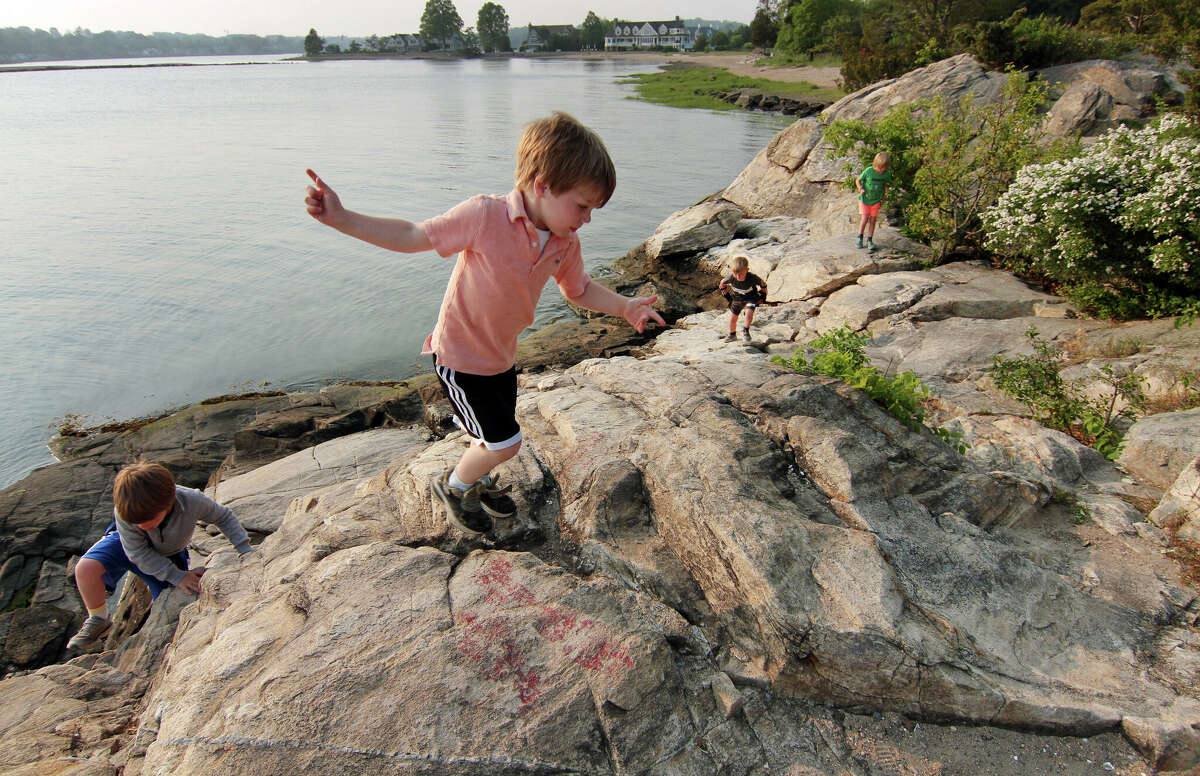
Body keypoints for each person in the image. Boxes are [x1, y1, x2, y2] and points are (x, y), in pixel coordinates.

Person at [303, 111, 665, 537]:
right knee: (505, 443)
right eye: (582, 206)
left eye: (592, 210)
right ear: (543, 185)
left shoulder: (565, 243)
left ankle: (476, 469)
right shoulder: (484, 216)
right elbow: (412, 235)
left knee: (492, 437)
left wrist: (625, 307)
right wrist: (342, 218)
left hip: (500, 358)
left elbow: (579, 289)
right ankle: (455, 487)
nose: (586, 218)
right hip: (459, 356)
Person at [67, 462, 254, 650]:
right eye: (137, 522)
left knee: (166, 612)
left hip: (169, 553)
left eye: (148, 520)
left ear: (169, 502)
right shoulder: (128, 514)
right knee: (85, 568)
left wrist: (244, 548)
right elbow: (138, 553)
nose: (143, 525)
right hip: (126, 545)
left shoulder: (191, 501)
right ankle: (99, 619)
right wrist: (176, 576)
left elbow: (224, 517)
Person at [718, 254, 766, 342]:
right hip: (737, 299)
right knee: (733, 318)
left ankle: (746, 330)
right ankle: (732, 335)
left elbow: (763, 284)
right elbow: (722, 284)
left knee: (749, 314)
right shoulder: (731, 278)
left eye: (741, 274)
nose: (738, 276)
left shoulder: (752, 278)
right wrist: (728, 297)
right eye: (735, 273)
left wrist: (763, 296)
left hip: (751, 298)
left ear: (747, 270)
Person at [855, 151, 892, 251]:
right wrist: (860, 188)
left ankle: (870, 240)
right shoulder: (869, 171)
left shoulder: (886, 174)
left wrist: (884, 197)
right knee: (865, 218)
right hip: (865, 199)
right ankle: (860, 238)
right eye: (879, 167)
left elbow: (884, 185)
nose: (881, 170)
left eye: (883, 168)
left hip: (876, 200)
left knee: (873, 220)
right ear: (875, 164)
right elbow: (858, 180)